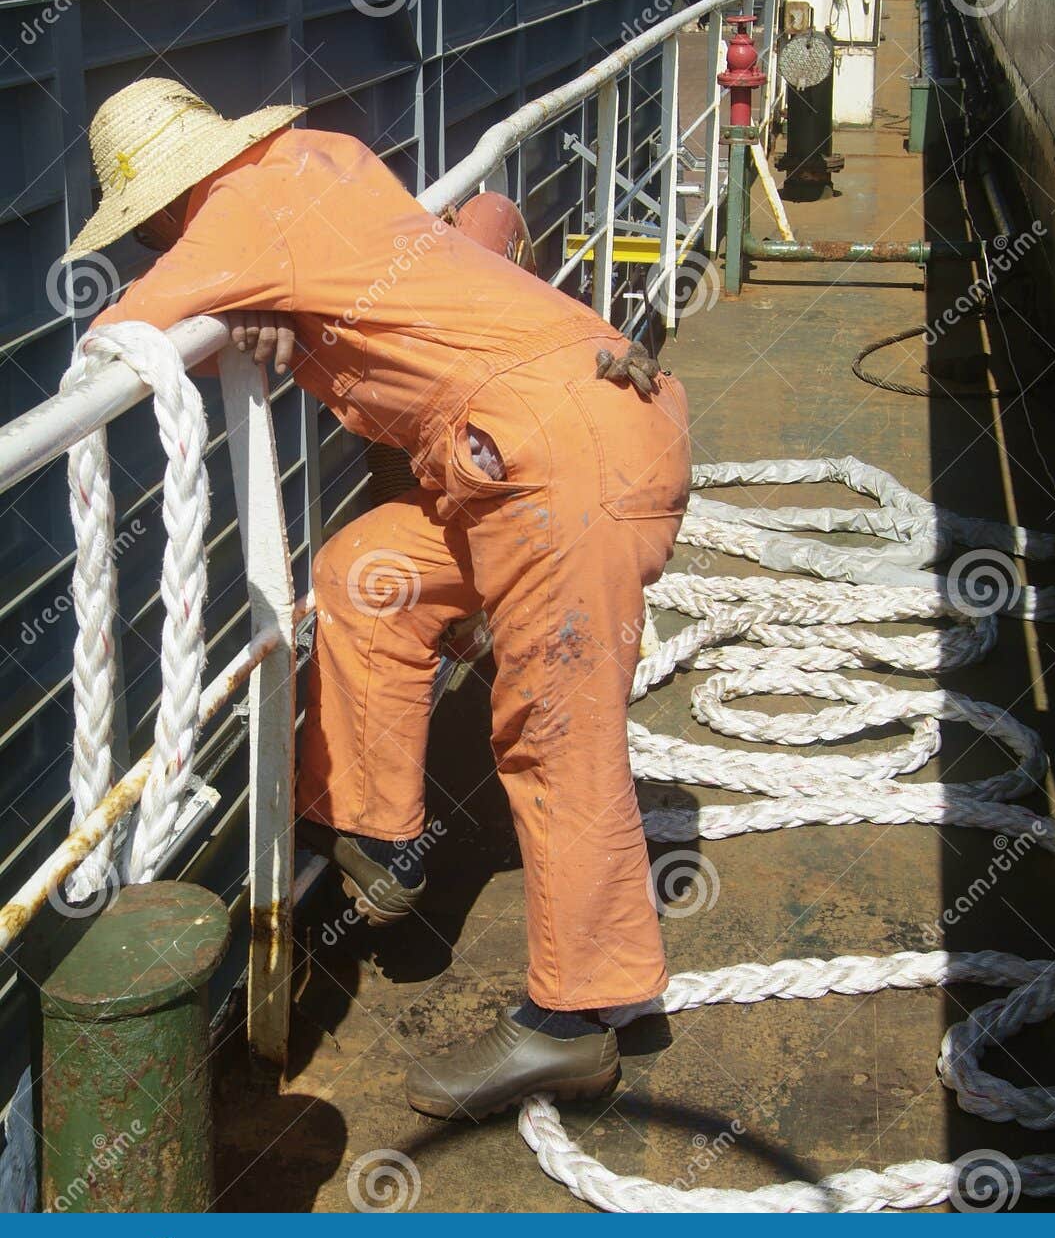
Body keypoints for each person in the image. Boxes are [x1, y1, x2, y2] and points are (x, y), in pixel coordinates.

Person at [73, 77, 691, 1120]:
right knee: (366, 576)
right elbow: (480, 224)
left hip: (561, 471)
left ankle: (575, 1022)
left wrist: (234, 303)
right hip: (545, 444)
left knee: (554, 733)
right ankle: (377, 830)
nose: (157, 245)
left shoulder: (239, 211)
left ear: (167, 204)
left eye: (147, 230)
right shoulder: (323, 162)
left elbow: (120, 339)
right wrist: (263, 302)